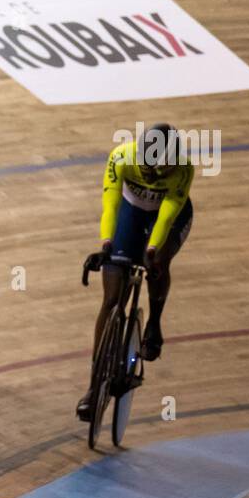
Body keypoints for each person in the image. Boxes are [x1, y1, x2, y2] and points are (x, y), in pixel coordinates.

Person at [78, 123, 194, 421]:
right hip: (130, 212)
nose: (156, 174)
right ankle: (93, 387)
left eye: (162, 169)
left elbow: (167, 216)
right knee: (112, 298)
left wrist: (153, 250)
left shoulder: (183, 169)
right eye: (151, 168)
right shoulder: (121, 158)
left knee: (157, 263)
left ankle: (154, 323)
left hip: (169, 217)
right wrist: (106, 245)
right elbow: (110, 204)